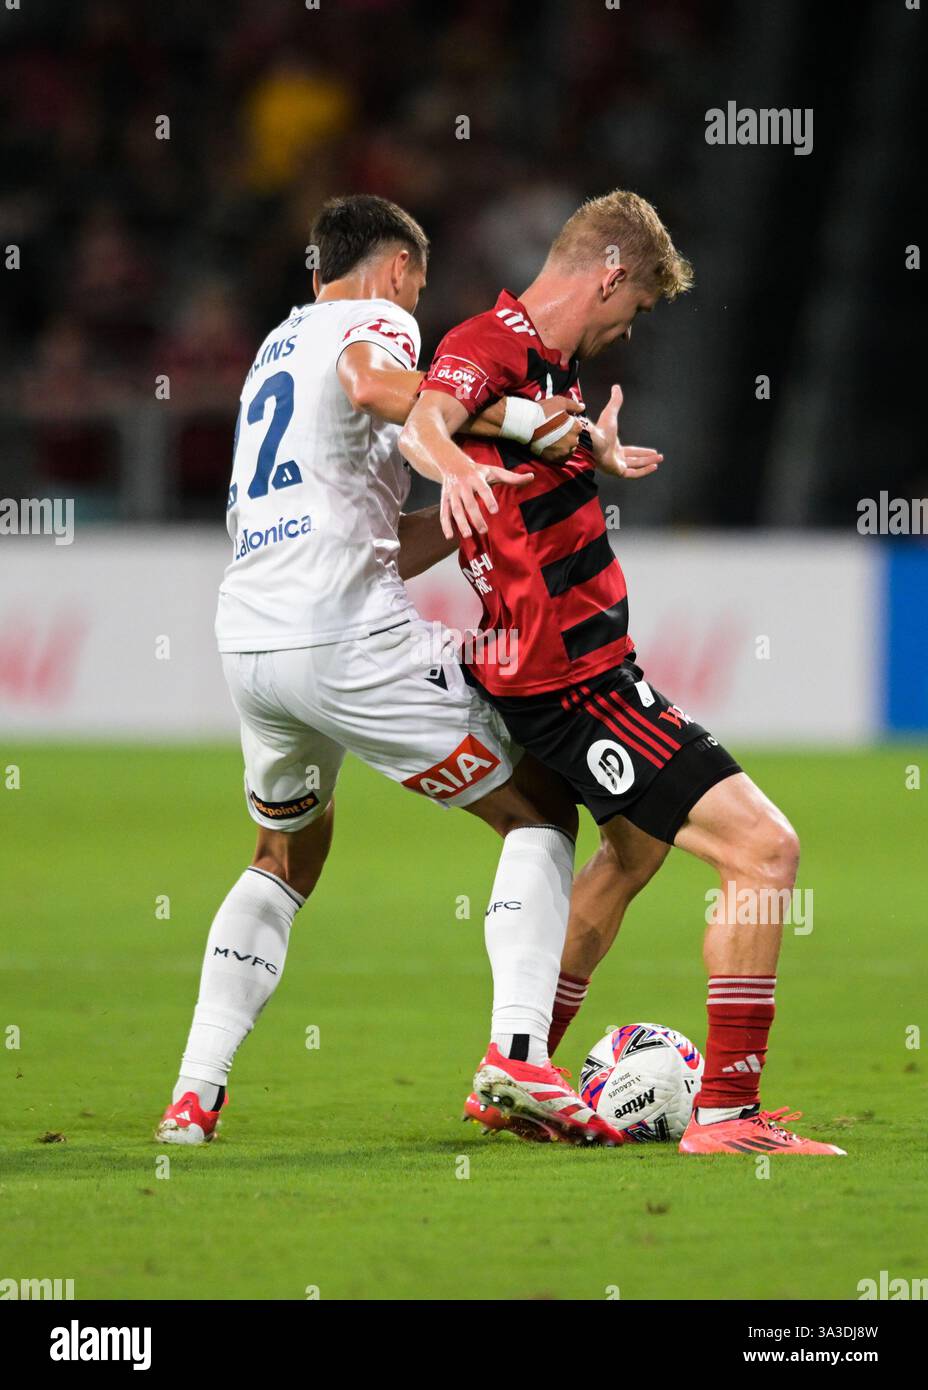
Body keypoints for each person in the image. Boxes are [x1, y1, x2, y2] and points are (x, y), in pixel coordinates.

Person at [156, 195, 630, 1149]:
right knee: (542, 804)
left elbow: (376, 534)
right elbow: (382, 384)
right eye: (415, 281)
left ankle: (193, 1095)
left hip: (251, 643)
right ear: (398, 272)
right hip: (345, 642)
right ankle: (518, 1056)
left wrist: (475, 512)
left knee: (287, 854)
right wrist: (516, 424)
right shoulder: (376, 320)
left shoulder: (271, 351)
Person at [400, 189, 846, 1156]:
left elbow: (503, 446)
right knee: (766, 854)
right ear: (608, 273)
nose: (628, 327)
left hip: (568, 668)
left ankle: (518, 1068)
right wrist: (456, 470)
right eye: (634, 306)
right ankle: (728, 1114)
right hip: (575, 679)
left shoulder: (546, 375)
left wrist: (584, 451)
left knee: (633, 855)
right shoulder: (490, 338)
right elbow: (425, 422)